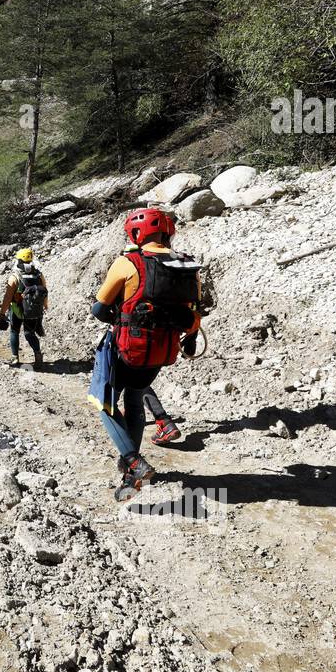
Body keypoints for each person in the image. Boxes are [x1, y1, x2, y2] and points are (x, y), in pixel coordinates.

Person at [90, 208, 202, 500]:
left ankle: (133, 460)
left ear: (136, 233)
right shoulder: (188, 265)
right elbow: (193, 313)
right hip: (161, 353)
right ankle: (131, 472)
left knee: (105, 404)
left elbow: (100, 310)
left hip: (128, 349)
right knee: (136, 402)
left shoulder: (128, 262)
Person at [0, 248, 47, 367]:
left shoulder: (15, 276)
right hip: (34, 310)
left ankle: (15, 358)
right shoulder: (39, 275)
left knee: (14, 331)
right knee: (30, 333)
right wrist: (44, 305)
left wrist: (2, 313)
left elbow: (8, 297)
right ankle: (38, 356)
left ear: (19, 260)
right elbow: (44, 291)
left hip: (17, 310)